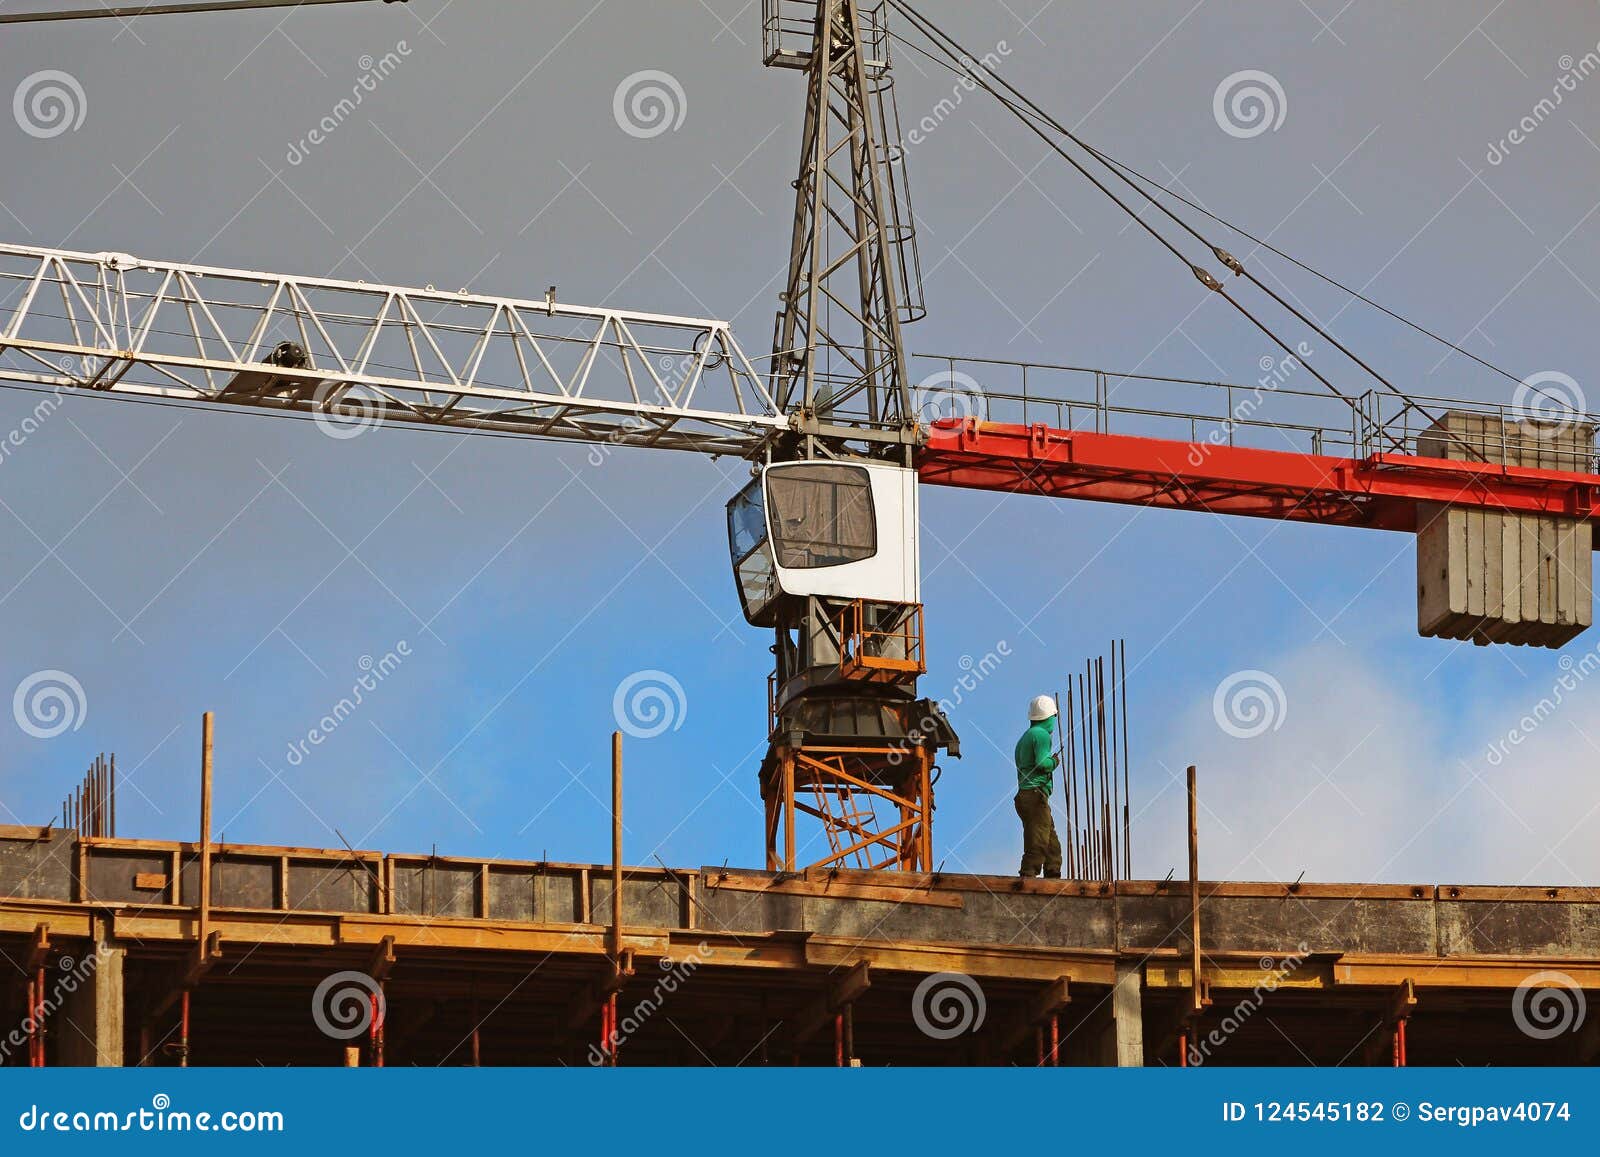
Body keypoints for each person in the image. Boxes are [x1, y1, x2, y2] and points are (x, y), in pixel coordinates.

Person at [1013, 695, 1063, 878]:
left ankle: (1053, 870)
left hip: (1026, 796)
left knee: (1050, 839)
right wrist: (1054, 761)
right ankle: (1028, 874)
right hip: (1034, 795)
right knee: (1038, 840)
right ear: (1049, 717)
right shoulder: (1041, 735)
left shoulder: (1026, 737)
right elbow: (1043, 763)